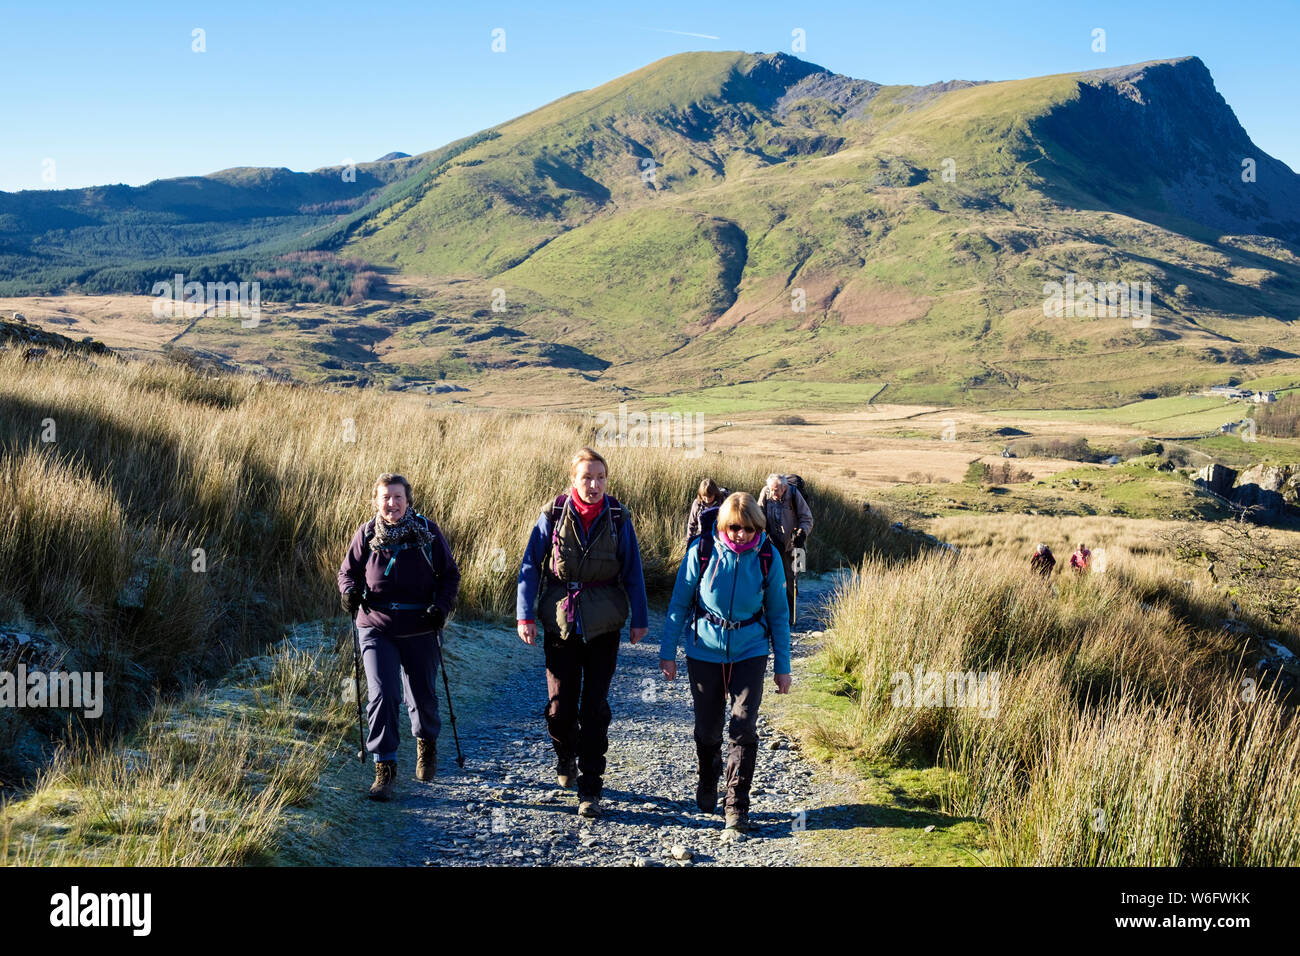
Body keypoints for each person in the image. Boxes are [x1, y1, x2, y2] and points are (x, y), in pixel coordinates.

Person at [516, 447, 649, 818]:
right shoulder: (553, 513)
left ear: (607, 479)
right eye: (586, 477)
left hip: (605, 623)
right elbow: (530, 565)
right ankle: (565, 758)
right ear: (573, 479)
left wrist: (640, 618)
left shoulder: (619, 517)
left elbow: (633, 571)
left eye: (600, 478)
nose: (594, 485)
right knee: (560, 709)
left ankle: (591, 787)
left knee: (594, 707)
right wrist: (524, 615)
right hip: (561, 621)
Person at [660, 492, 791, 833]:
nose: (741, 534)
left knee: (743, 726)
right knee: (707, 727)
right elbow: (679, 603)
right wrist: (667, 651)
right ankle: (708, 778)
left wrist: (783, 666)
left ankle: (736, 805)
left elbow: (778, 612)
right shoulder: (701, 552)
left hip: (750, 650)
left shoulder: (767, 556)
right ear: (722, 525)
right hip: (704, 650)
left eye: (749, 528)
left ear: (757, 527)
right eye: (734, 527)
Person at [338, 473, 461, 801]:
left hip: (420, 625)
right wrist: (349, 592)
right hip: (375, 625)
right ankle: (385, 769)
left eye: (397, 497)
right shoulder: (365, 533)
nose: (391, 503)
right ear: (376, 501)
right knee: (383, 694)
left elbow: (449, 575)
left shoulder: (428, 533)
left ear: (408, 500)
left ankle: (426, 743)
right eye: (385, 498)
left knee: (421, 696)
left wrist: (441, 607)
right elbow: (347, 572)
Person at [757, 474, 813, 626]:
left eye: (776, 490)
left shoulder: (794, 494)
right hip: (771, 545)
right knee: (768, 580)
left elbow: (807, 518)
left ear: (784, 488)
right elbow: (758, 516)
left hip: (793, 546)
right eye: (771, 490)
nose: (773, 494)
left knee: (791, 581)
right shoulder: (766, 493)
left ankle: (788, 618)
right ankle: (768, 615)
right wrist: (762, 534)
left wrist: (802, 533)